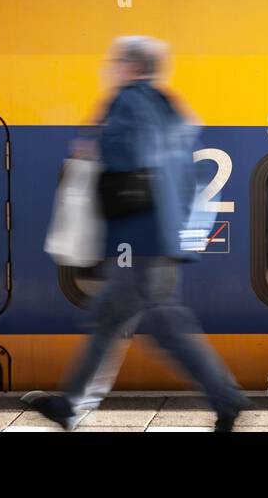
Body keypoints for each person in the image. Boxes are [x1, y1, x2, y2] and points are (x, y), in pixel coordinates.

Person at [23, 35, 250, 432]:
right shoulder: (169, 106)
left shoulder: (128, 100)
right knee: (145, 324)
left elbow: (131, 154)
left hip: (138, 240)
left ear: (131, 66)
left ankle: (70, 403)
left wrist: (94, 147)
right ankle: (224, 399)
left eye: (116, 61)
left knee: (123, 321)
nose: (110, 68)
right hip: (160, 240)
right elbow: (180, 173)